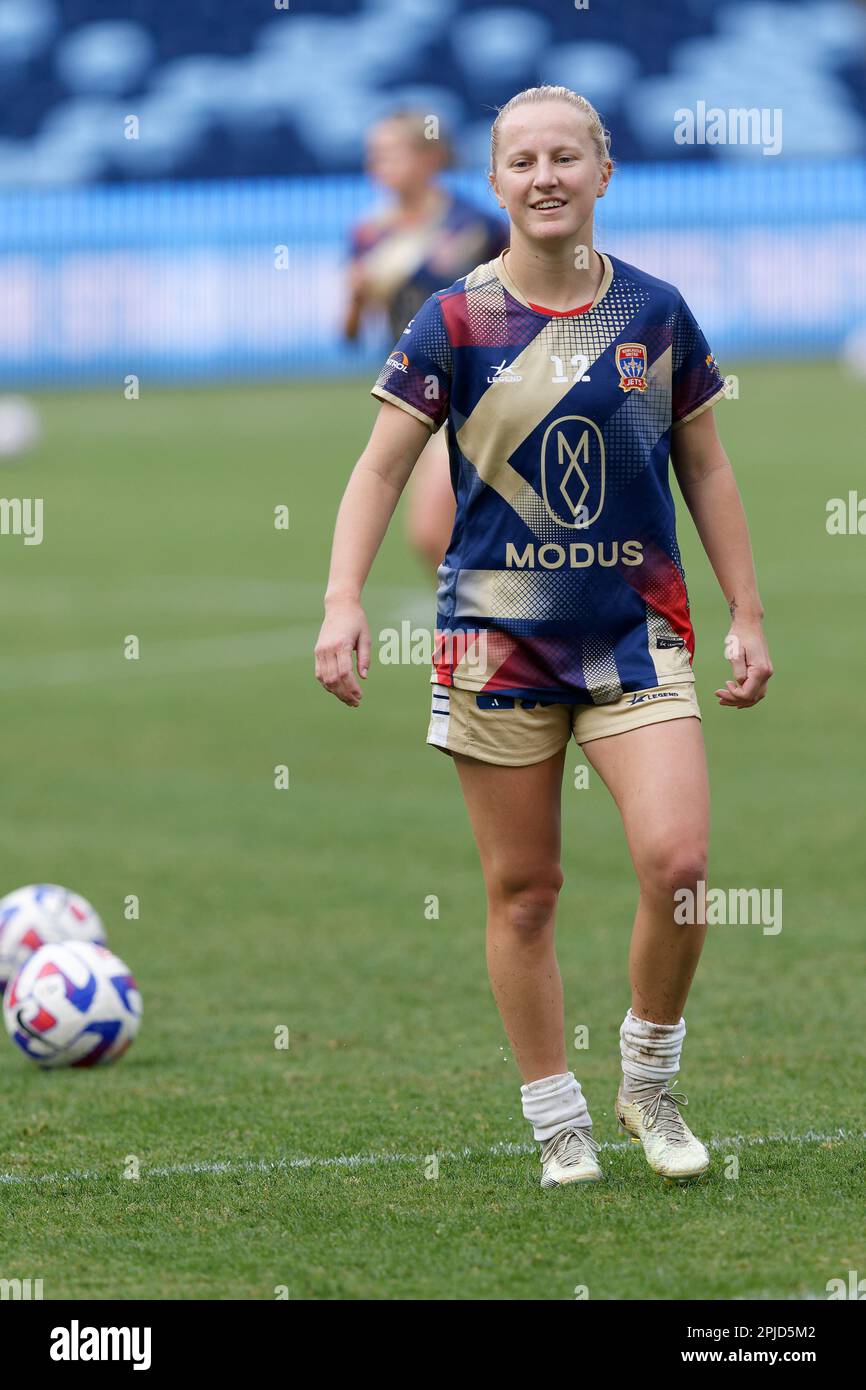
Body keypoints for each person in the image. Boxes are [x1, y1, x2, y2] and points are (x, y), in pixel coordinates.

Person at [316, 85, 773, 1188]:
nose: (544, 177)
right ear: (497, 179)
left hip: (636, 633)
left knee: (677, 864)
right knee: (523, 891)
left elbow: (703, 464)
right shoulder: (453, 320)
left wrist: (745, 612)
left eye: (564, 157)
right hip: (494, 647)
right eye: (521, 161)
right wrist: (340, 601)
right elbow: (380, 465)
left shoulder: (656, 313)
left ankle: (647, 1080)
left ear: (601, 173)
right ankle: (555, 1117)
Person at [344, 110, 507, 574]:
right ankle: (498, 626)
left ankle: (492, 628)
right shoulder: (369, 233)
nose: (376, 165)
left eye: (389, 153)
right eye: (373, 155)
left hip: (477, 391)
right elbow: (351, 332)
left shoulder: (473, 224)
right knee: (448, 535)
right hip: (413, 397)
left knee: (433, 531)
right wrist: (356, 297)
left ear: (431, 157)